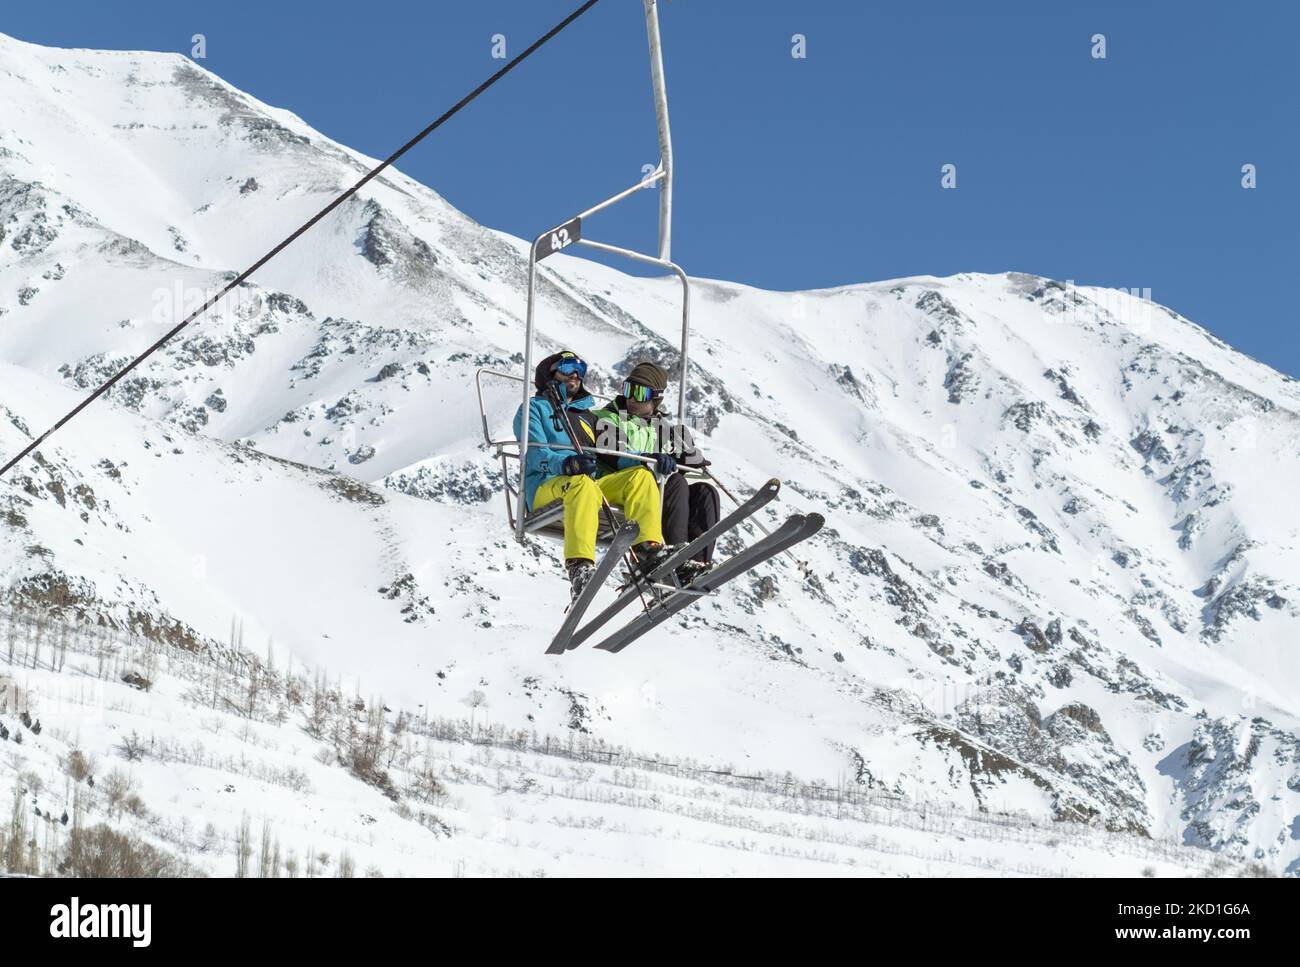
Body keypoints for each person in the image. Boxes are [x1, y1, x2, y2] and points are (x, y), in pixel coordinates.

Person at [513, 350, 671, 603]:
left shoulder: (586, 416)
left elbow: (612, 454)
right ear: (550, 373)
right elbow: (534, 454)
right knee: (582, 484)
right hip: (546, 487)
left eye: (580, 370)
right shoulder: (535, 408)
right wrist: (565, 464)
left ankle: (646, 552)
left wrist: (646, 457)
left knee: (640, 477)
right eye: (567, 368)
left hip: (588, 486)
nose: (575, 375)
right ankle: (580, 567)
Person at [591, 361, 720, 584]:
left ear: (656, 398)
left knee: (705, 492)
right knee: (676, 482)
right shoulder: (607, 417)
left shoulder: (664, 428)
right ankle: (676, 560)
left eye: (640, 393)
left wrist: (682, 454)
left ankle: (697, 563)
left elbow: (698, 463)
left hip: (653, 491)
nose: (632, 398)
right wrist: (651, 459)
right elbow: (613, 453)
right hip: (618, 486)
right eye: (628, 389)